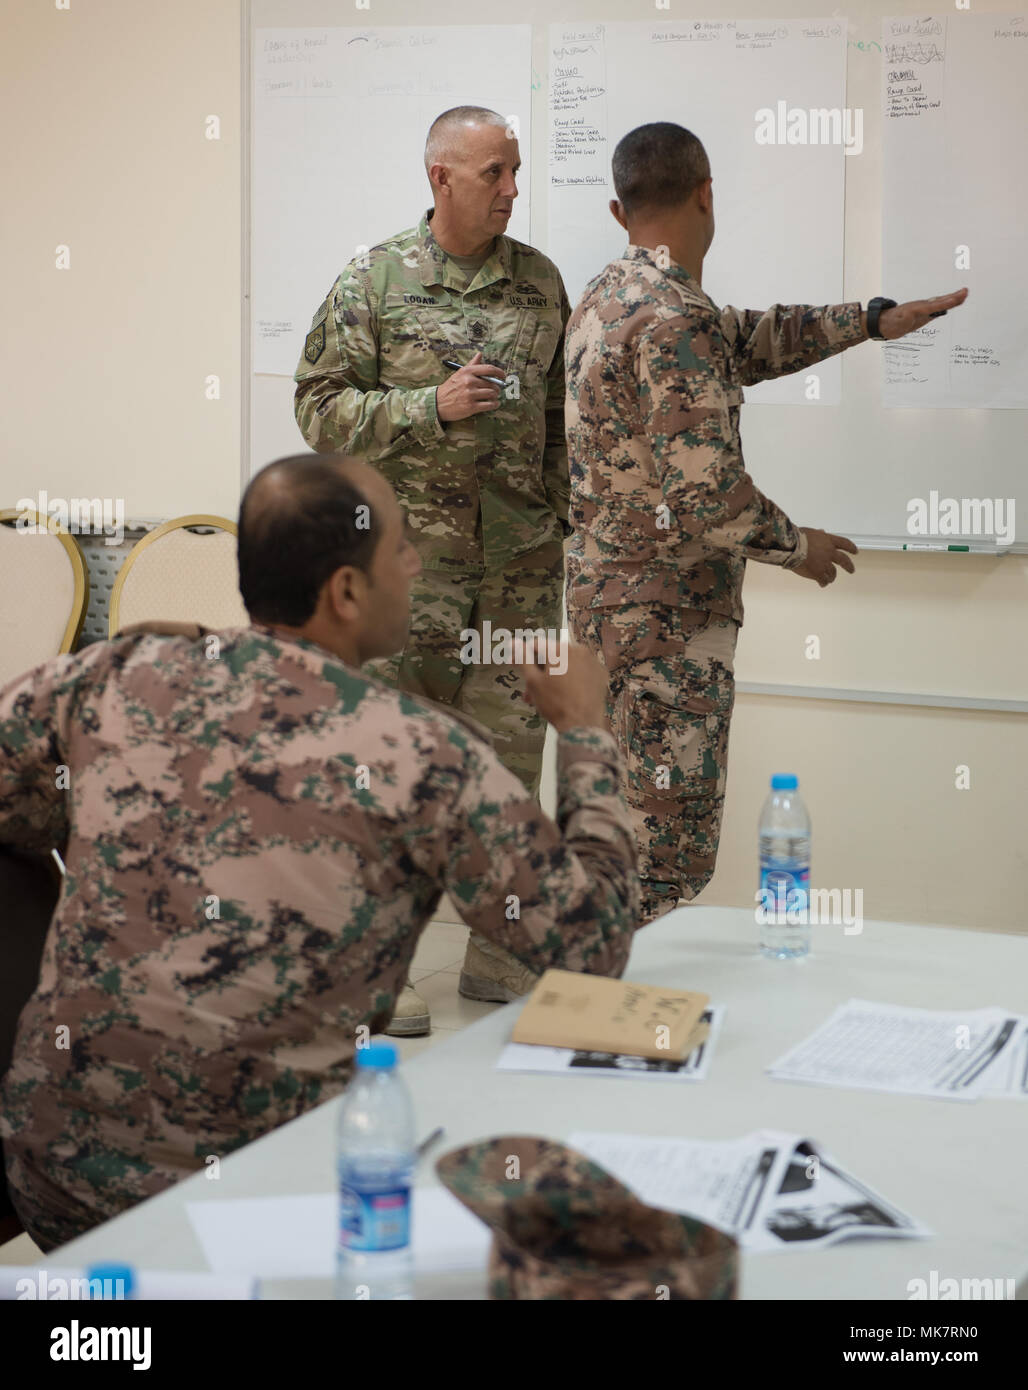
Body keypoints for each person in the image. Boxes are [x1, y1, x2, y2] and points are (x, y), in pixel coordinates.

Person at [0, 454, 638, 1253]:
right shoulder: (423, 752)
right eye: (402, 548)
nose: (415, 566)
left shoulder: (108, 677)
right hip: (257, 1203)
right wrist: (585, 731)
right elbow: (592, 944)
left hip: (51, 1177)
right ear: (345, 591)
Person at [565, 121, 967, 924]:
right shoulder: (676, 317)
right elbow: (709, 493)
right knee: (665, 859)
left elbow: (749, 337)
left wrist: (872, 319)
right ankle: (613, 1032)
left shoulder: (608, 302)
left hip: (599, 621)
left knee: (610, 842)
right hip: (667, 634)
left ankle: (586, 1014)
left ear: (619, 210)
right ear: (708, 194)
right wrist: (800, 548)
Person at [294, 106, 572, 1031]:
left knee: (509, 767)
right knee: (389, 772)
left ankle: (497, 960)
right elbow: (318, 410)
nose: (511, 190)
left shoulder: (540, 284)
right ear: (440, 178)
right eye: (494, 172)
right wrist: (428, 407)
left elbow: (563, 425)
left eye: (516, 171)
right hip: (407, 579)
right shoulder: (371, 283)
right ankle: (384, 970)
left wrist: (566, 524)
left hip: (520, 574)